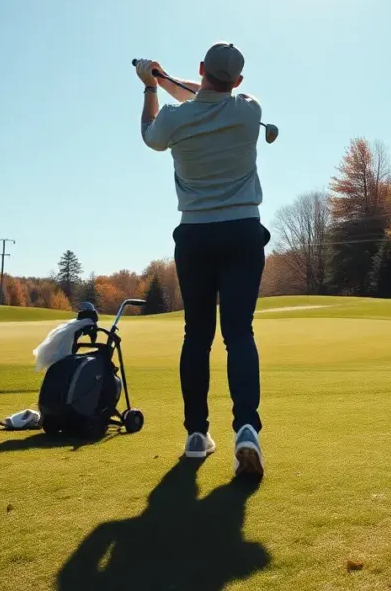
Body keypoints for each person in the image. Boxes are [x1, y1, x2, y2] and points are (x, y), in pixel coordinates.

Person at [134, 42, 269, 479]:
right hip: (243, 232)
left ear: (200, 68)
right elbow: (208, 96)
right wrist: (166, 78)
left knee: (197, 336)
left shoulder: (175, 119)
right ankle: (246, 428)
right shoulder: (250, 112)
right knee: (239, 334)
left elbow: (150, 133)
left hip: (195, 236)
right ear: (240, 82)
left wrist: (150, 87)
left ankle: (196, 434)